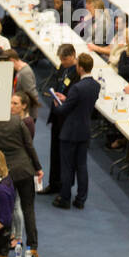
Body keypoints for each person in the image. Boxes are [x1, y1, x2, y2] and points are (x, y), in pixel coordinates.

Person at [0, 108, 43, 257]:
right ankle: (32, 247)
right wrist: (37, 167)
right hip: (24, 170)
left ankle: (7, 243)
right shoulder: (16, 121)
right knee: (28, 209)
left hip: (6, 174)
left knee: (8, 209)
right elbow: (29, 145)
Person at [51, 53, 100, 210]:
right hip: (84, 130)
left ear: (80, 67)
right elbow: (80, 104)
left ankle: (65, 198)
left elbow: (64, 110)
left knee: (67, 166)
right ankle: (80, 199)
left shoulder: (77, 87)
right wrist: (68, 99)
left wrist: (58, 104)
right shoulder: (95, 86)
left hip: (70, 132)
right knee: (82, 166)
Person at [40, 44, 78, 198]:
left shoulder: (78, 72)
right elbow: (57, 83)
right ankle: (53, 183)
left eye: (66, 59)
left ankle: (64, 188)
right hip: (57, 116)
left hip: (68, 119)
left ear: (73, 55)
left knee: (66, 156)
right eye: (61, 59)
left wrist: (66, 99)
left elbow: (77, 97)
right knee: (54, 152)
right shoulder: (62, 68)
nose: (63, 62)